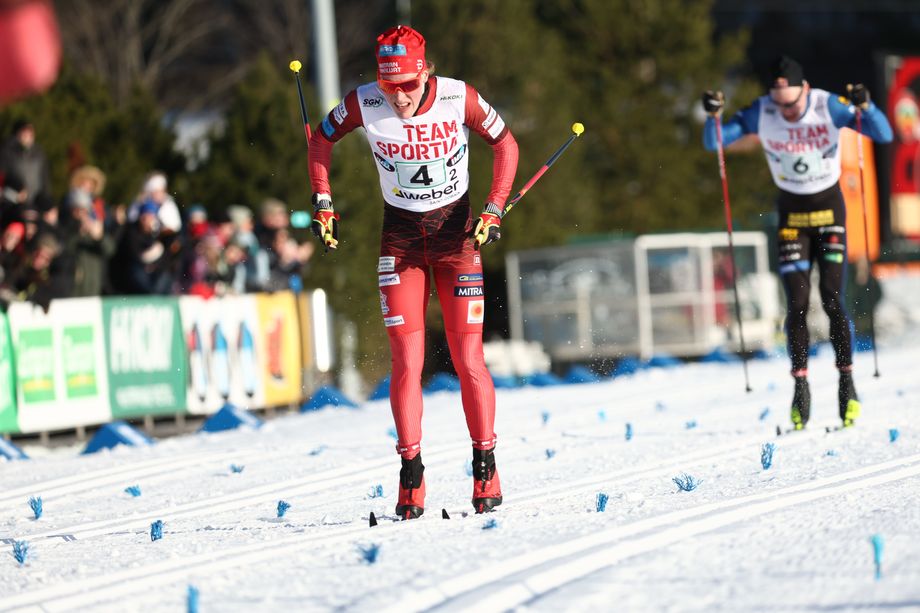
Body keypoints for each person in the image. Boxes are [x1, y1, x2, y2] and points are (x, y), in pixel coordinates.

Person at [307, 25, 519, 518]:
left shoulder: (457, 97)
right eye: (389, 87)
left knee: (468, 360)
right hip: (400, 242)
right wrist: (323, 201)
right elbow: (320, 141)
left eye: (407, 84)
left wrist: (493, 209)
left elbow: (506, 145)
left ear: (425, 71)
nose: (399, 98)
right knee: (406, 363)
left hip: (458, 241)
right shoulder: (364, 102)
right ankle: (411, 474)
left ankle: (485, 465)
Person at [702, 55, 893, 430]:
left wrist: (865, 106)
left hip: (829, 213)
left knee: (833, 300)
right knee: (797, 305)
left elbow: (883, 134)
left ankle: (847, 382)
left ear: (804, 90)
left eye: (790, 104)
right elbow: (716, 143)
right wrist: (713, 116)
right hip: (792, 217)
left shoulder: (827, 105)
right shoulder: (763, 110)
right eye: (778, 103)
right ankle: (800, 387)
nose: (784, 112)